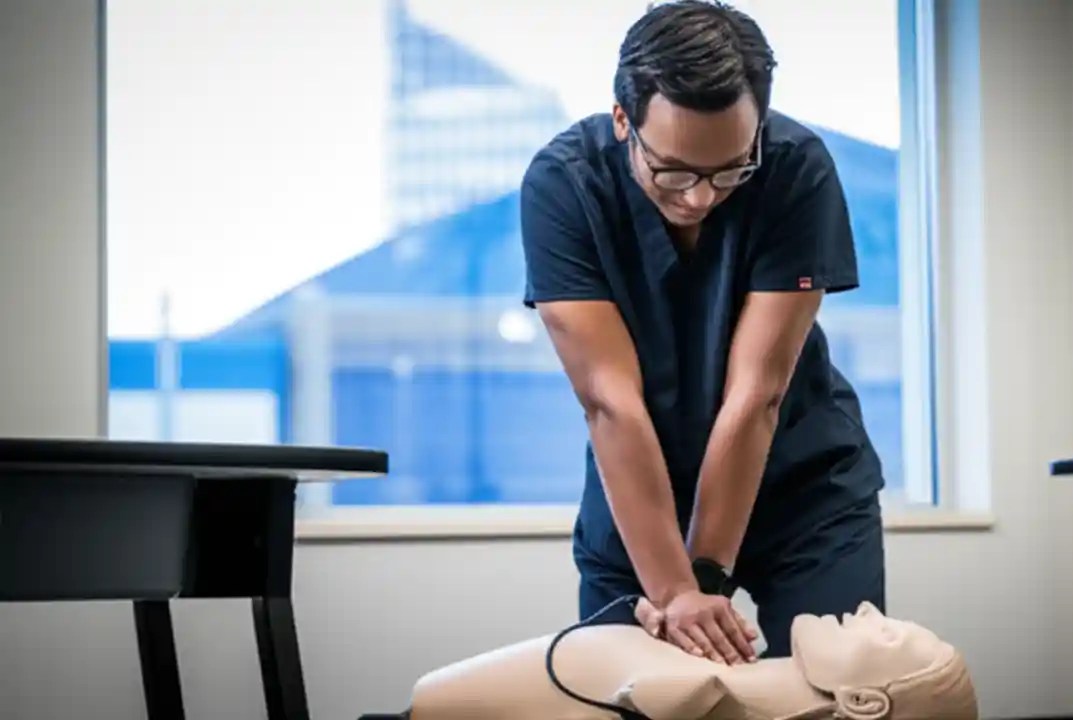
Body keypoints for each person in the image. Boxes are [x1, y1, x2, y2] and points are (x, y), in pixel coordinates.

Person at [520, 0, 886, 666]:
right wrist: (671, 588)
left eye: (729, 171)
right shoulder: (564, 186)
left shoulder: (796, 169)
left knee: (845, 684)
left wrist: (707, 580)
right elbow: (609, 400)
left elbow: (757, 394)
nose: (699, 197)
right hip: (639, 486)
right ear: (623, 119)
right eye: (674, 171)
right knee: (631, 693)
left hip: (801, 480)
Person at [405, 601, 979, 719]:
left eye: (884, 635)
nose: (867, 608)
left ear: (863, 701)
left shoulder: (691, 688)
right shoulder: (707, 676)